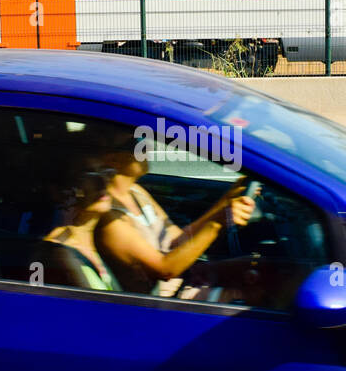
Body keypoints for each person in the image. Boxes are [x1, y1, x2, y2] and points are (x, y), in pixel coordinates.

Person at [95, 127, 256, 297]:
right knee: (251, 295)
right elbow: (165, 269)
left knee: (261, 268)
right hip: (167, 303)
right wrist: (216, 223)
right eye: (134, 144)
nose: (145, 147)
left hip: (187, 283)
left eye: (141, 139)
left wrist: (228, 199)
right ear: (111, 159)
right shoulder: (109, 219)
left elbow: (179, 240)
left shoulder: (136, 192)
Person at [38, 151, 122, 291]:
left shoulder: (90, 244)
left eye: (104, 172)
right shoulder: (60, 254)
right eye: (88, 175)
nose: (102, 183)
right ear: (59, 191)